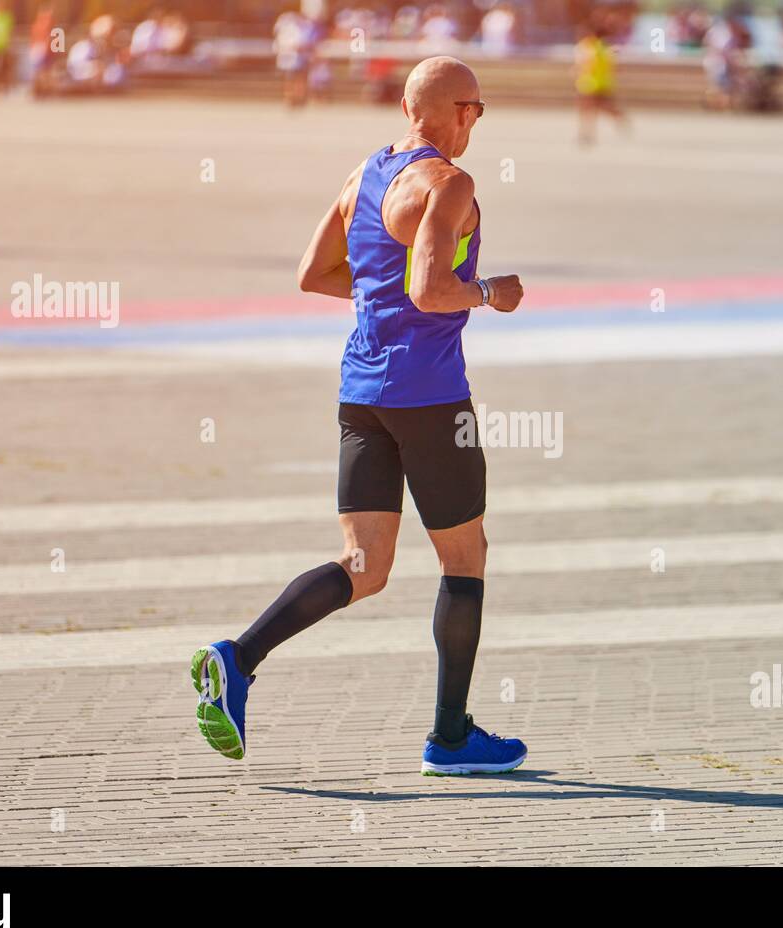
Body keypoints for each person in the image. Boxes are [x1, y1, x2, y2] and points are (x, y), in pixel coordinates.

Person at [191, 56, 529, 777]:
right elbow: (436, 290)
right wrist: (491, 292)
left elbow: (314, 274)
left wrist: (385, 296)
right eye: (477, 108)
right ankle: (451, 738)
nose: (477, 121)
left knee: (364, 565)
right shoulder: (451, 182)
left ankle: (238, 658)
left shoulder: (365, 174)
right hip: (431, 396)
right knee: (465, 558)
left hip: (362, 393)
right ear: (458, 112)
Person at [574, 18, 628, 146]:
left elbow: (587, 64)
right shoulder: (605, 48)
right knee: (594, 109)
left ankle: (587, 133)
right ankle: (588, 133)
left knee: (588, 109)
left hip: (590, 83)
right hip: (600, 83)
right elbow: (614, 67)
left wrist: (577, 71)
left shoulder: (590, 47)